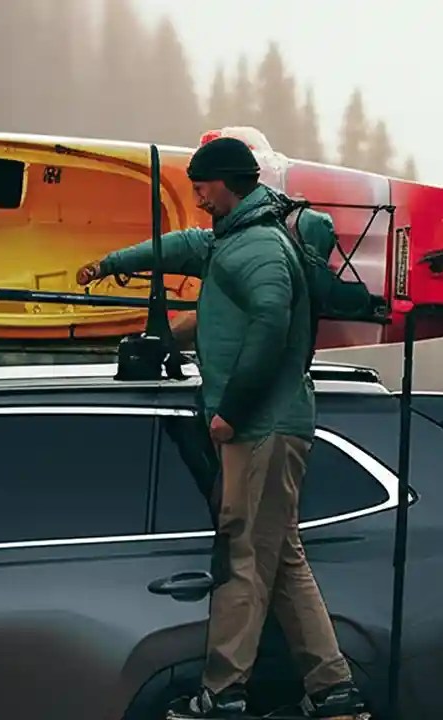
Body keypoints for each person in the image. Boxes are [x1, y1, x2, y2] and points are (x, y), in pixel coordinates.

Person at [76, 137, 368, 720]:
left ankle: (223, 694)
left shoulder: (259, 248)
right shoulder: (236, 240)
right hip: (271, 425)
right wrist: (112, 265)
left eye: (202, 185)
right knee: (280, 557)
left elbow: (269, 324)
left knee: (241, 559)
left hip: (260, 428)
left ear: (230, 182)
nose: (197, 195)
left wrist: (230, 410)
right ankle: (333, 688)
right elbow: (187, 248)